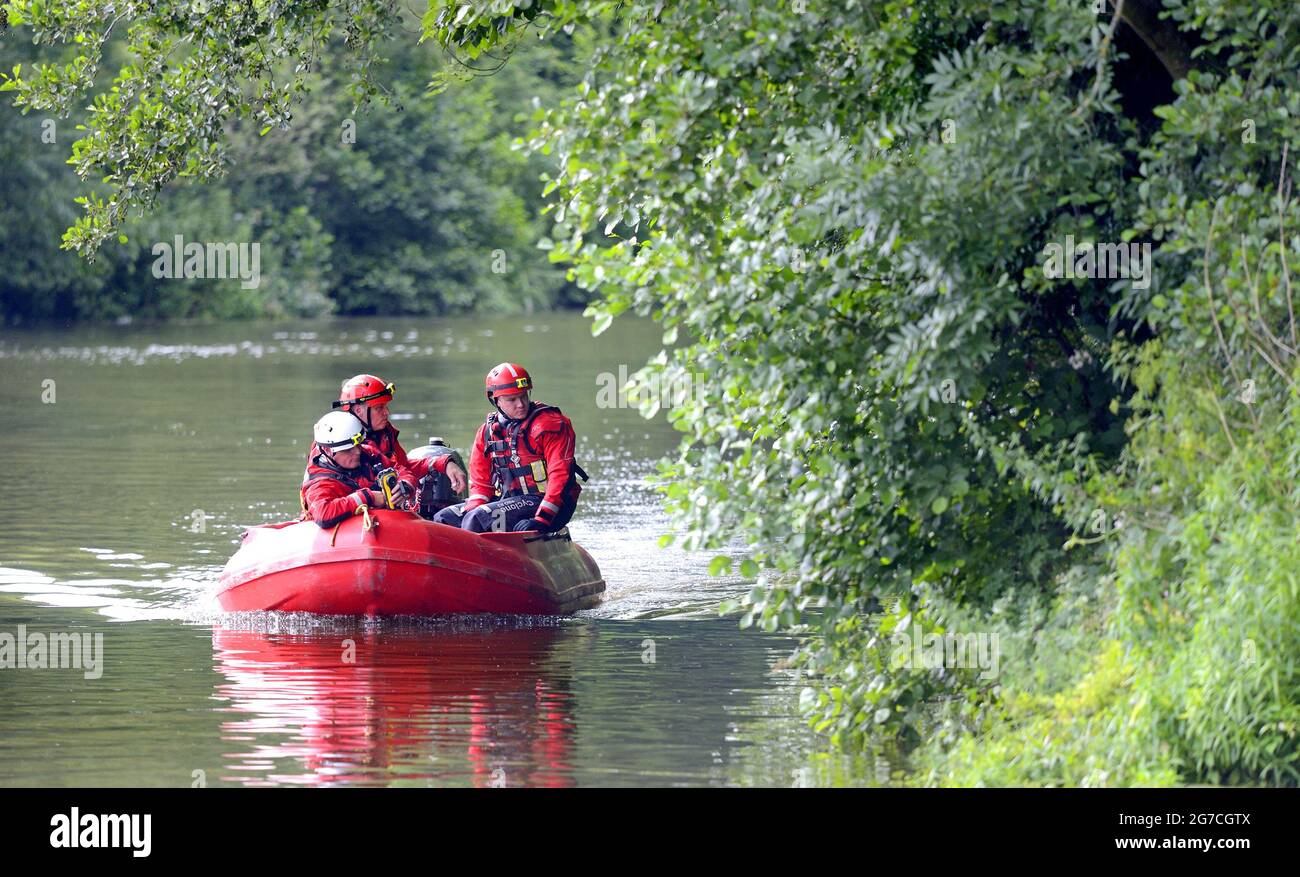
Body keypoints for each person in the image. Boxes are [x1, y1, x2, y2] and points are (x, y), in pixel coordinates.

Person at [434, 363, 587, 533]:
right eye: (512, 399)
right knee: (443, 519)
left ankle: (479, 555)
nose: (521, 404)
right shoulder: (487, 432)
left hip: (551, 504)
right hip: (510, 500)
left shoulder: (550, 425)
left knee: (477, 519)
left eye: (523, 396)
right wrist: (471, 510)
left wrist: (542, 519)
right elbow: (481, 484)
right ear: (495, 400)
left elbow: (560, 476)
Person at [329, 374, 468, 494]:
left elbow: (403, 467)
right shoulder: (332, 440)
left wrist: (441, 462)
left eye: (386, 406)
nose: (387, 412)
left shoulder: (385, 433)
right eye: (379, 408)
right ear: (359, 410)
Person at [301, 411, 416, 527]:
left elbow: (399, 469)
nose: (357, 451)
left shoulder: (368, 453)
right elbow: (323, 513)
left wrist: (405, 485)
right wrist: (368, 497)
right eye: (348, 449)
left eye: (358, 444)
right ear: (327, 451)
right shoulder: (319, 483)